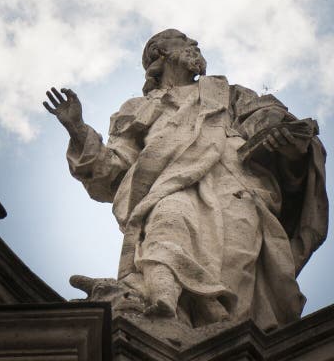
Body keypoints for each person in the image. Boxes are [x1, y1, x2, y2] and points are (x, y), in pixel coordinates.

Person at [44, 29, 327, 330]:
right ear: (159, 53)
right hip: (169, 185)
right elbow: (113, 169)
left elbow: (266, 116)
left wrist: (276, 131)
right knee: (168, 227)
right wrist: (77, 129)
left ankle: (225, 333)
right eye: (185, 40)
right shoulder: (136, 109)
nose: (195, 44)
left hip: (236, 184)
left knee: (237, 265)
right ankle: (162, 311)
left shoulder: (225, 92)